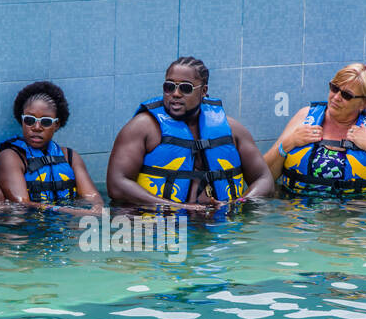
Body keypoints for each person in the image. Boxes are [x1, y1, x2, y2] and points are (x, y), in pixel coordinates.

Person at [107, 56, 274, 208]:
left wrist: (237, 204)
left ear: (203, 91)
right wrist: (179, 207)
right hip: (161, 226)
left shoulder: (232, 130)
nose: (175, 94)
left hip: (220, 227)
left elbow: (264, 180)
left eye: (185, 88)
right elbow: (117, 186)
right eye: (169, 87)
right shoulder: (142, 128)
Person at [262, 62, 366, 194]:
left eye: (346, 95)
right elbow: (261, 176)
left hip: (353, 215)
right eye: (334, 88)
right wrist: (287, 145)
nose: (336, 97)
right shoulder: (305, 118)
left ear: (364, 103)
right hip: (297, 212)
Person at [0, 81, 102, 209]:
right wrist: (74, 213)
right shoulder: (11, 158)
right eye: (29, 120)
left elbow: (94, 198)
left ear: (57, 124)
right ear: (21, 120)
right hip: (30, 225)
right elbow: (22, 205)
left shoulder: (70, 157)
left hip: (64, 223)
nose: (36, 127)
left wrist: (96, 210)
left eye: (46, 122)